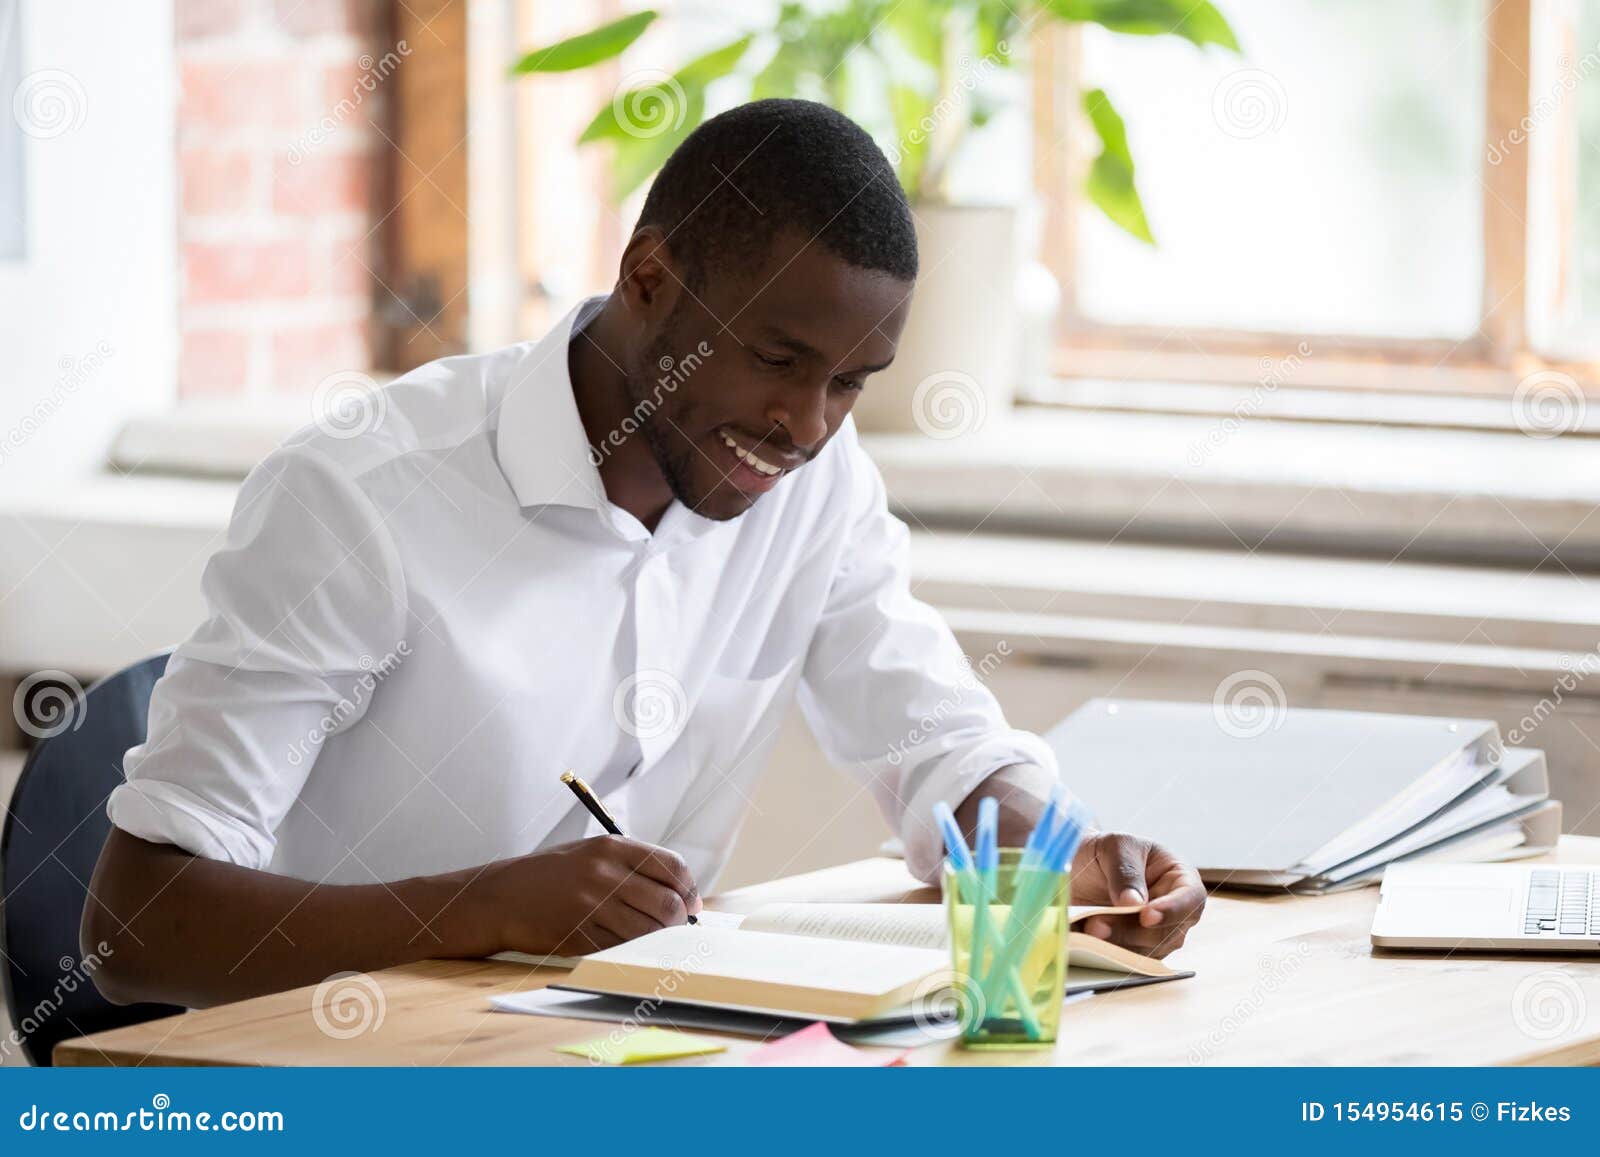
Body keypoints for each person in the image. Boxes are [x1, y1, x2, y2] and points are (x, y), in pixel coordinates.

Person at [86, 99, 1204, 1009]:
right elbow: (134, 929)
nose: (808, 423)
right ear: (651, 277)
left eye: (852, 380)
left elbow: (936, 740)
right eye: (778, 357)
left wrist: (1054, 852)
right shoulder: (362, 498)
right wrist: (485, 907)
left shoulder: (808, 477)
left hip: (607, 1056)